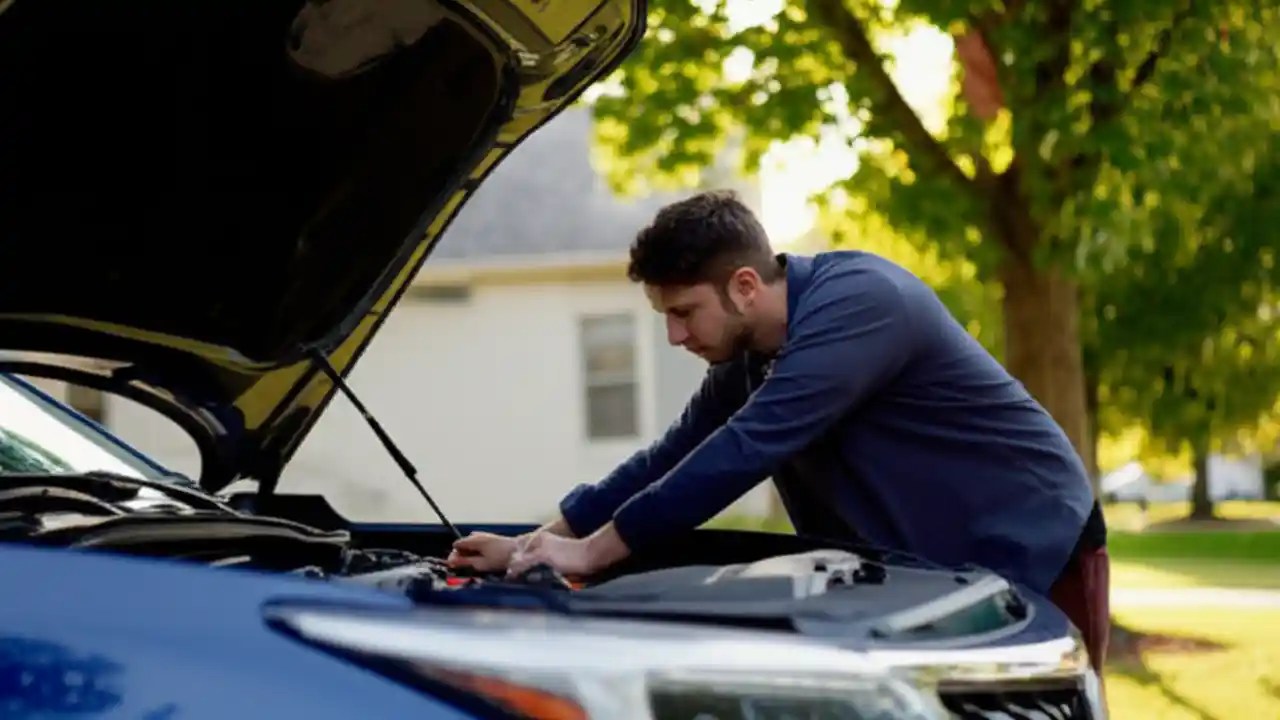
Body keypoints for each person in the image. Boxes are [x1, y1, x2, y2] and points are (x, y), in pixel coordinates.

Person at [448, 189, 1109, 671]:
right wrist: (535, 546)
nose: (675, 336)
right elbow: (670, 457)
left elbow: (744, 450)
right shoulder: (748, 357)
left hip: (1034, 540)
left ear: (743, 287)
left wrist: (592, 555)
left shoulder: (862, 305)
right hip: (933, 569)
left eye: (683, 313)